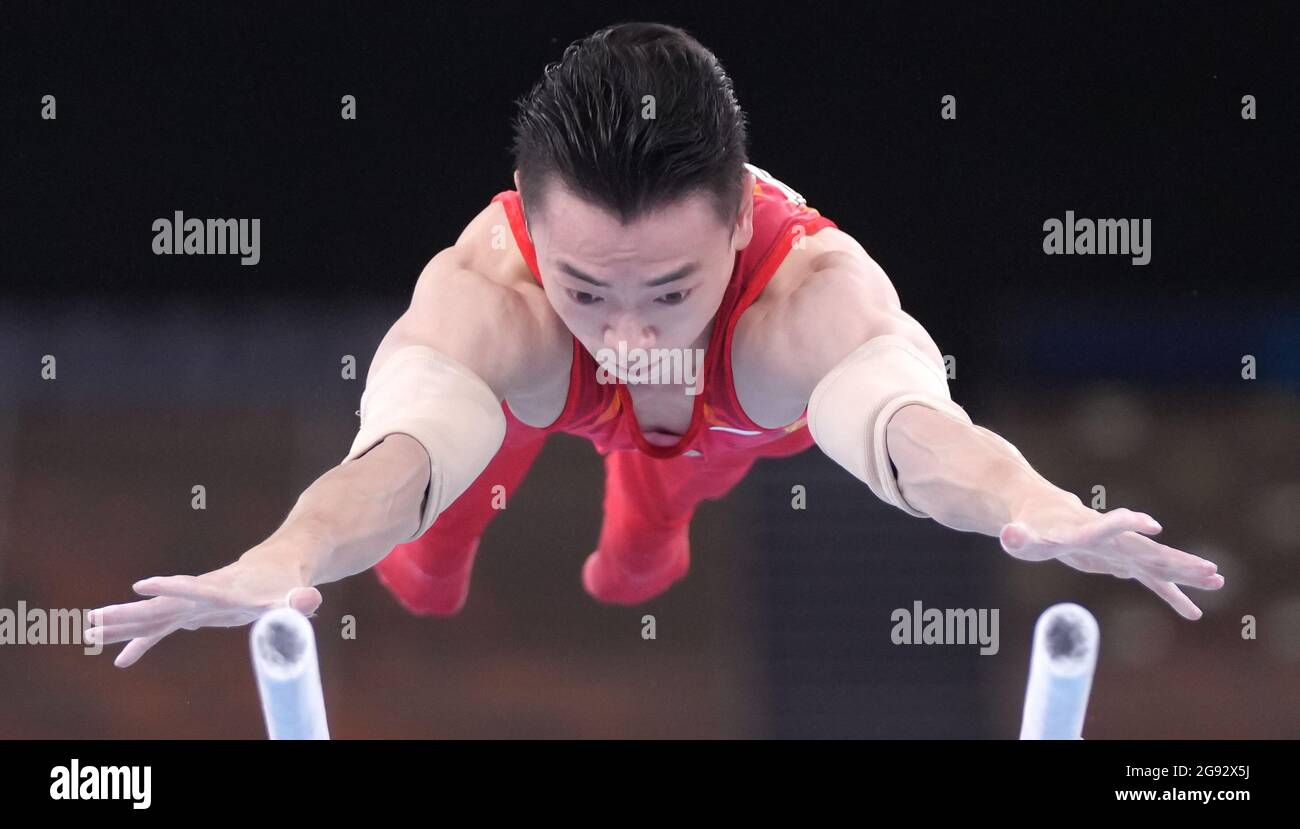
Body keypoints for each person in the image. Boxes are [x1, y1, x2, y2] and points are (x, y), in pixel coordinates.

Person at [88, 22, 1223, 668]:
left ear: (738, 226)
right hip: (542, 389)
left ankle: (650, 512)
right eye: (587, 285)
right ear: (532, 231)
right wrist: (282, 555)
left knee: (640, 552)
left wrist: (1039, 504)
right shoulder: (492, 300)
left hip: (733, 403)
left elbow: (923, 438)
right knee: (420, 563)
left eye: (671, 289)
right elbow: (388, 465)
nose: (627, 336)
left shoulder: (808, 302)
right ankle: (548, 514)